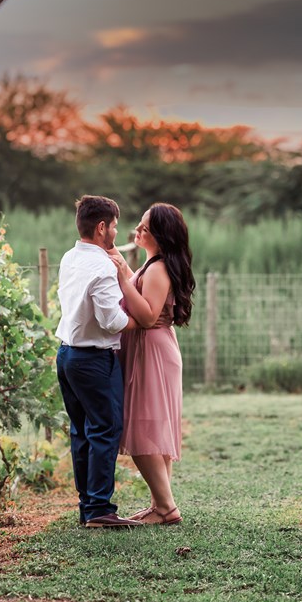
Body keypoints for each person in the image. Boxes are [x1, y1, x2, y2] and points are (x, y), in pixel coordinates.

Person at [55, 195, 141, 528]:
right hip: (93, 358)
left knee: (82, 432)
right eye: (115, 225)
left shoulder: (69, 257)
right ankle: (100, 509)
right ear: (102, 227)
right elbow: (112, 322)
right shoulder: (102, 265)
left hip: (66, 354)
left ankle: (87, 506)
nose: (117, 232)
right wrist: (143, 321)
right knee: (105, 429)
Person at [111, 203, 195, 525]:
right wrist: (126, 273)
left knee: (144, 427)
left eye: (144, 228)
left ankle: (167, 508)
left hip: (153, 350)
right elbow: (140, 294)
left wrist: (122, 276)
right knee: (153, 426)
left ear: (159, 235)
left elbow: (146, 316)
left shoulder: (159, 269)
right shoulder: (153, 264)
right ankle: (160, 506)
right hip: (153, 348)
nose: (137, 231)